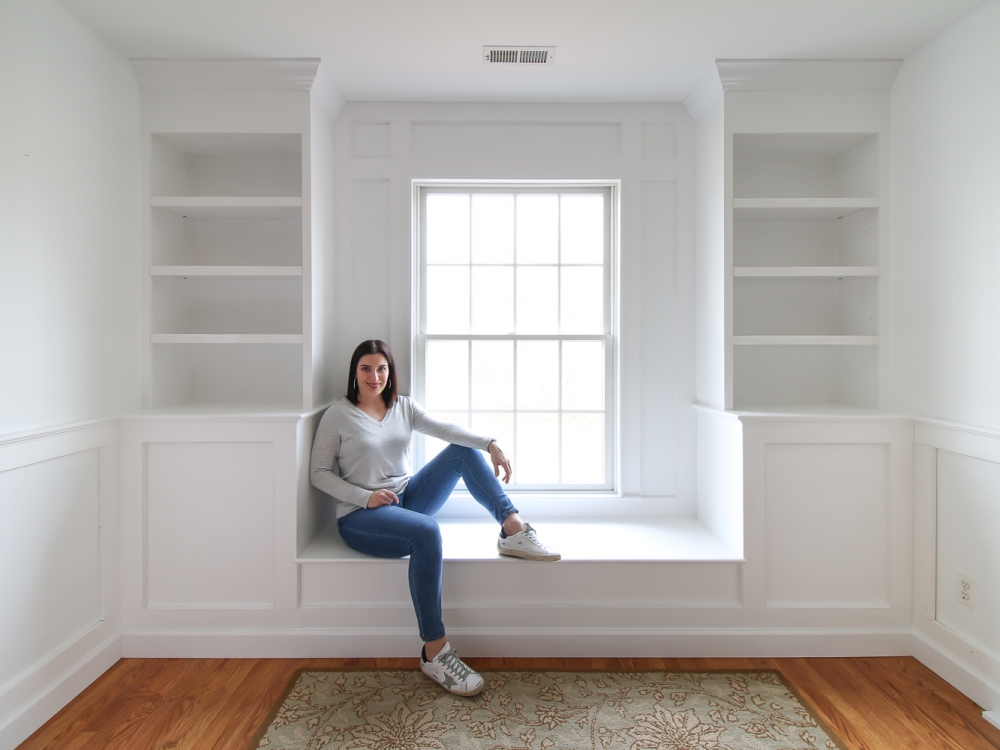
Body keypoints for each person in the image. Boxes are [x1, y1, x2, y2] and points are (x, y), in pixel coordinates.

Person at [309, 339, 560, 697]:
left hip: (404, 498)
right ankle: (435, 652)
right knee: (427, 532)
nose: (374, 376)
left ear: (389, 372)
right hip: (361, 516)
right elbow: (318, 473)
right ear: (354, 373)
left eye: (381, 368)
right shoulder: (338, 414)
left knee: (461, 452)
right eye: (366, 368)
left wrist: (489, 442)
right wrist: (366, 498)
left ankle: (513, 528)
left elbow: (445, 429)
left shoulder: (403, 407)